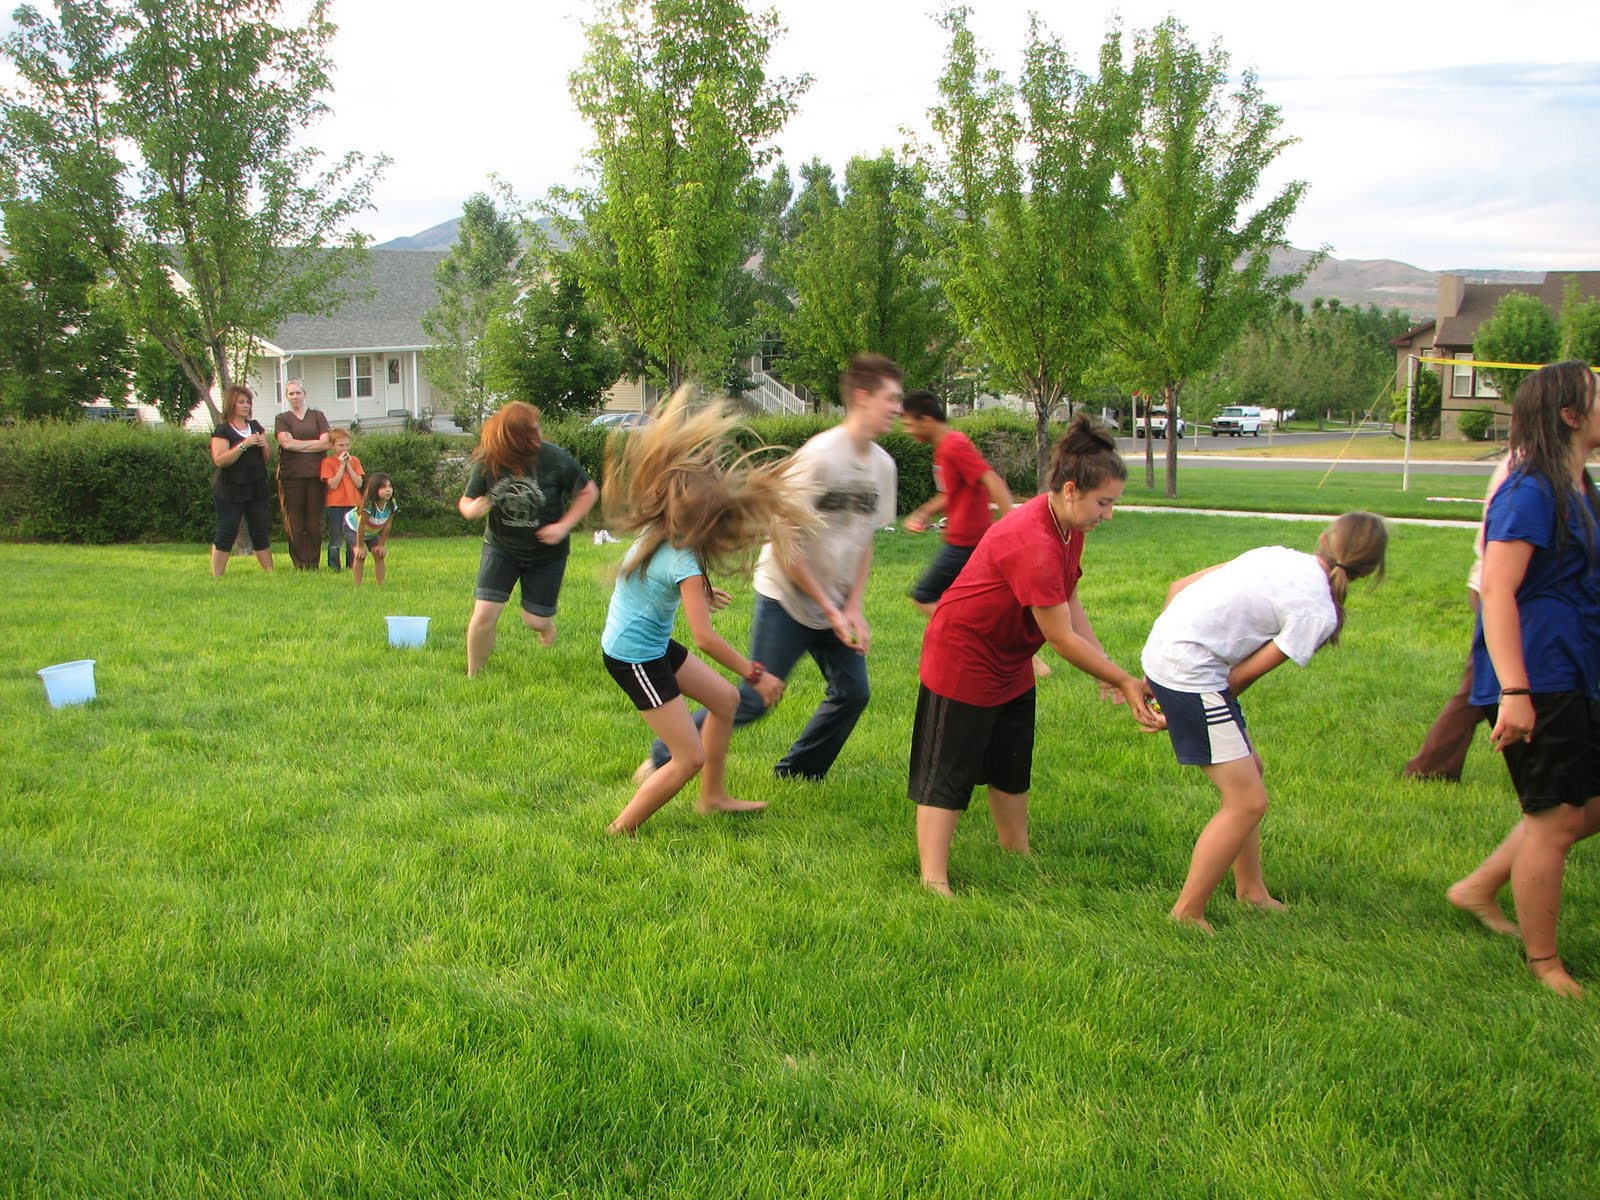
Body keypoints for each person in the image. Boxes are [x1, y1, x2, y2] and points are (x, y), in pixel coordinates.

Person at [911, 416, 1164, 895]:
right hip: (962, 658)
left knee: (1010, 758)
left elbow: (1069, 600)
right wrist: (1126, 680)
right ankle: (933, 879)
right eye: (1104, 502)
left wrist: (1108, 671)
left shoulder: (1068, 528)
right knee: (949, 768)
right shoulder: (1034, 541)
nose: (1108, 514)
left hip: (1009, 660)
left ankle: (1017, 851)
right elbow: (1061, 638)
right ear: (1072, 490)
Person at [641, 353, 903, 782]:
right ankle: (663, 755)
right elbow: (785, 544)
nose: (898, 408)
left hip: (835, 606)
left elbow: (866, 538)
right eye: (891, 398)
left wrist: (852, 607)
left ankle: (798, 772)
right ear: (862, 397)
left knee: (854, 693)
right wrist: (830, 608)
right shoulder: (819, 457)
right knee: (755, 697)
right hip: (786, 596)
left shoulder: (883, 467)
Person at [1142, 511, 1389, 933]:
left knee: (1251, 774)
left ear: (1324, 537)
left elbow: (1178, 587)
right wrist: (1183, 707)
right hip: (1192, 674)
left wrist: (1161, 668)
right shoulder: (1317, 612)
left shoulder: (1276, 554)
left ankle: (1251, 891)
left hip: (1173, 657)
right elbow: (1242, 677)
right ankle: (1186, 913)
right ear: (1368, 572)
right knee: (1248, 801)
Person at [1445, 360, 1600, 998]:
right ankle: (1545, 965)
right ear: (1570, 415)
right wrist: (1514, 691)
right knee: (1555, 820)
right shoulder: (1530, 489)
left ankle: (1479, 887)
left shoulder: (1577, 483)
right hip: (1539, 677)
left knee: (1582, 808)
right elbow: (1499, 592)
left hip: (1574, 669)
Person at [601, 392, 818, 835]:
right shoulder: (683, 559)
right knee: (688, 757)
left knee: (725, 700)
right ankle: (620, 830)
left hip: (651, 644)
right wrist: (757, 674)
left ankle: (713, 798)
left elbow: (655, 581)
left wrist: (700, 591)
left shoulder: (661, 530)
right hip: (633, 657)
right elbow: (705, 638)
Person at [900, 389, 1050, 679]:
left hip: (968, 543)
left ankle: (976, 645)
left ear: (927, 419)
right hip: (961, 539)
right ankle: (1016, 657)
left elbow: (991, 480)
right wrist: (923, 512)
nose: (907, 430)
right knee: (979, 607)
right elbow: (951, 494)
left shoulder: (954, 444)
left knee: (924, 595)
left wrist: (1013, 526)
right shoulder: (945, 447)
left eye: (909, 424)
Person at [459, 401, 599, 677]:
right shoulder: (490, 461)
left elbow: (588, 492)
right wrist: (471, 509)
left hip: (546, 554)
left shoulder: (555, 458)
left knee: (534, 619)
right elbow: (466, 501)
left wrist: (564, 526)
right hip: (501, 547)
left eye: (537, 430)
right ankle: (475, 675)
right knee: (484, 615)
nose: (537, 439)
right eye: (529, 435)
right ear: (510, 439)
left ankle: (545, 626)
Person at [208, 385, 274, 577]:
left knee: (259, 529)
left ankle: (270, 573)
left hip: (256, 486)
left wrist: (263, 445)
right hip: (231, 488)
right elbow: (220, 460)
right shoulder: (223, 430)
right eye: (241, 402)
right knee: (227, 529)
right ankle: (217, 575)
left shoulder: (255, 426)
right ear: (231, 404)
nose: (246, 406)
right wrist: (243, 445)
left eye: (248, 402)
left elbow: (267, 456)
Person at [274, 378, 331, 569]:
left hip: (316, 475)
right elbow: (286, 443)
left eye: (298, 392)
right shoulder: (282, 419)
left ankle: (313, 563)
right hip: (291, 476)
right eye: (291, 393)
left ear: (304, 394)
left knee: (313, 522)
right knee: (295, 522)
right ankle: (299, 563)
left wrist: (298, 445)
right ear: (287, 396)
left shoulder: (318, 416)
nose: (295, 397)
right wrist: (312, 444)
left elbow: (326, 442)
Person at [320, 428, 365, 571]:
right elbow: (332, 484)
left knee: (353, 537)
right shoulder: (327, 462)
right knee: (336, 537)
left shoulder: (355, 461)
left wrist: (349, 466)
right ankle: (334, 566)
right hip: (335, 504)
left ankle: (352, 565)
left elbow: (359, 483)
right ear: (332, 446)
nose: (344, 448)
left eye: (347, 445)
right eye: (341, 445)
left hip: (353, 503)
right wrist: (341, 466)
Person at [349, 473, 396, 586]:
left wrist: (381, 545)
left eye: (390, 486)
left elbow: (387, 525)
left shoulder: (392, 504)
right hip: (354, 528)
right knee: (360, 555)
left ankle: (381, 584)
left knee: (379, 555)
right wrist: (360, 546)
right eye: (383, 487)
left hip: (371, 531)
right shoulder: (369, 505)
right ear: (375, 489)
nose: (388, 490)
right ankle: (357, 586)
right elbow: (361, 526)